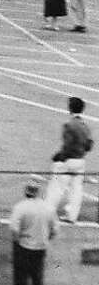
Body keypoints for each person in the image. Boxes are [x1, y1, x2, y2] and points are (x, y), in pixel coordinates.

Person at [9, 180, 55, 285]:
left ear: (26, 192)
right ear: (38, 192)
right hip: (41, 247)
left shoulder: (21, 207)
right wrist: (46, 238)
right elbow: (55, 229)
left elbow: (14, 228)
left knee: (21, 279)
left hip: (24, 245)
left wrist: (17, 240)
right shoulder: (48, 208)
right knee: (37, 279)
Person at [53, 95, 92, 224]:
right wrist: (80, 150)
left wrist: (60, 156)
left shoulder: (69, 125)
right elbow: (89, 145)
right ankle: (72, 216)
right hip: (80, 160)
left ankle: (49, 213)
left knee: (58, 187)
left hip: (69, 160)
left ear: (70, 108)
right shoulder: (84, 126)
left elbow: (67, 145)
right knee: (76, 190)